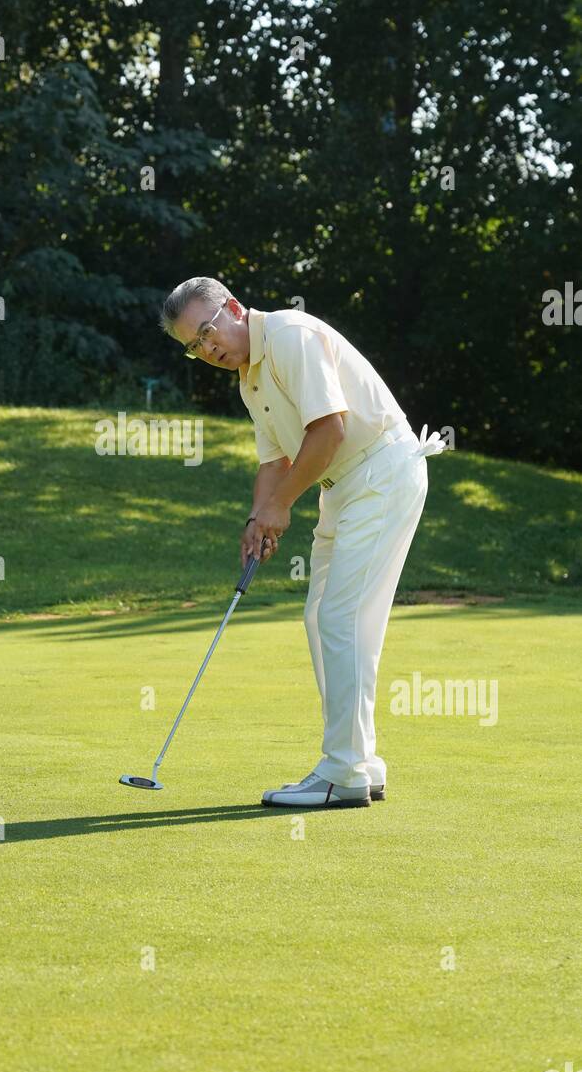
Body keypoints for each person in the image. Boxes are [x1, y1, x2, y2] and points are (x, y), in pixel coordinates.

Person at [159, 276, 445, 809]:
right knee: (322, 618)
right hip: (343, 487)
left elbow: (330, 429)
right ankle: (360, 761)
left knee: (342, 618)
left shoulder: (290, 335)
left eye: (207, 330)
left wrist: (280, 506)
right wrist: (256, 518)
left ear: (235, 309)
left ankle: (343, 772)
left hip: (381, 471)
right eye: (194, 347)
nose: (207, 348)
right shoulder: (249, 379)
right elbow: (275, 461)